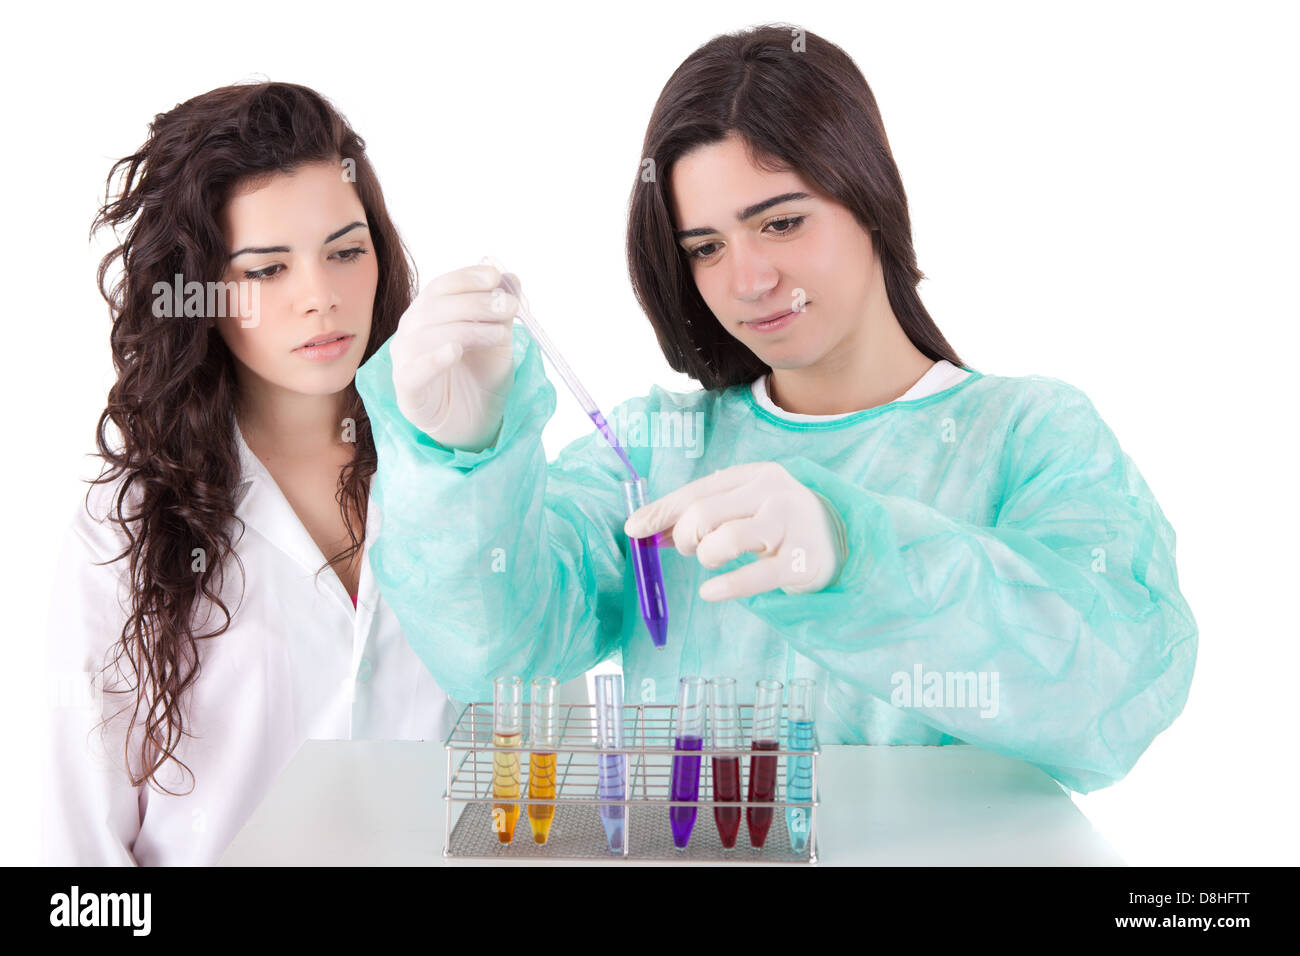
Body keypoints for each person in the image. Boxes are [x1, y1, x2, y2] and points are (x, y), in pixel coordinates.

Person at [356, 24, 1198, 794]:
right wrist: (461, 461)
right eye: (707, 248)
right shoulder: (658, 451)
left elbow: (1115, 686)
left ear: (869, 197)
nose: (748, 281)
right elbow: (504, 653)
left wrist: (859, 554)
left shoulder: (1028, 436)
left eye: (783, 222)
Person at [43, 82, 456, 865]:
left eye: (346, 251)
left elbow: (528, 759)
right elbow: (73, 854)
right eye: (266, 271)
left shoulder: (449, 474)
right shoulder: (125, 525)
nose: (321, 298)